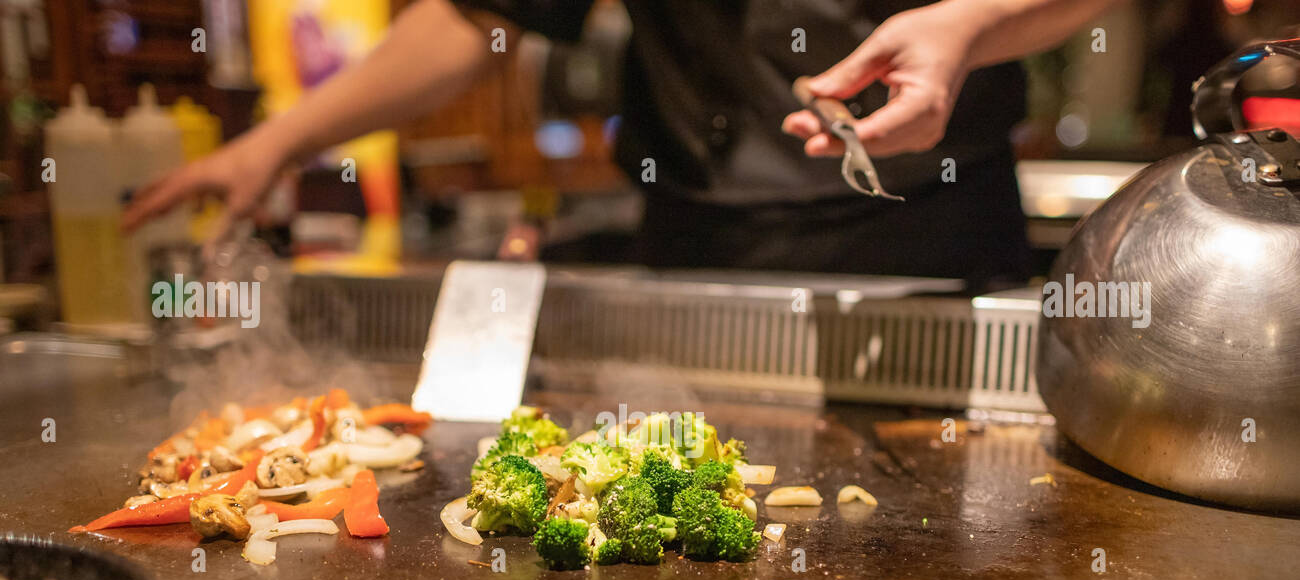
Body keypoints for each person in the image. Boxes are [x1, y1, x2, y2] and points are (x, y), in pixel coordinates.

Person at [124, 0, 1124, 290]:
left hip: (934, 233)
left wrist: (973, 26)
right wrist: (282, 141)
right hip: (699, 244)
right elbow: (479, 16)